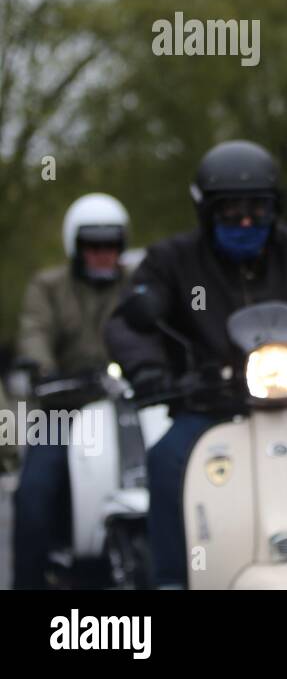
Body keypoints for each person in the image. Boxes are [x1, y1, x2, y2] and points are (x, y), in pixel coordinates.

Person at [104, 140, 287, 588]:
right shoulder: (172, 260)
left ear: (275, 209)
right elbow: (126, 323)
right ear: (207, 213)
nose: (246, 221)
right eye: (231, 211)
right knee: (167, 460)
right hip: (207, 404)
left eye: (258, 209)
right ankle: (172, 580)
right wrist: (150, 370)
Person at [11, 193, 132, 588]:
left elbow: (162, 326)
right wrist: (42, 368)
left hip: (128, 411)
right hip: (62, 411)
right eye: (93, 246)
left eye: (110, 245)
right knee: (32, 496)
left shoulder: (139, 283)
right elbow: (34, 330)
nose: (102, 254)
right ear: (76, 247)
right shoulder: (48, 286)